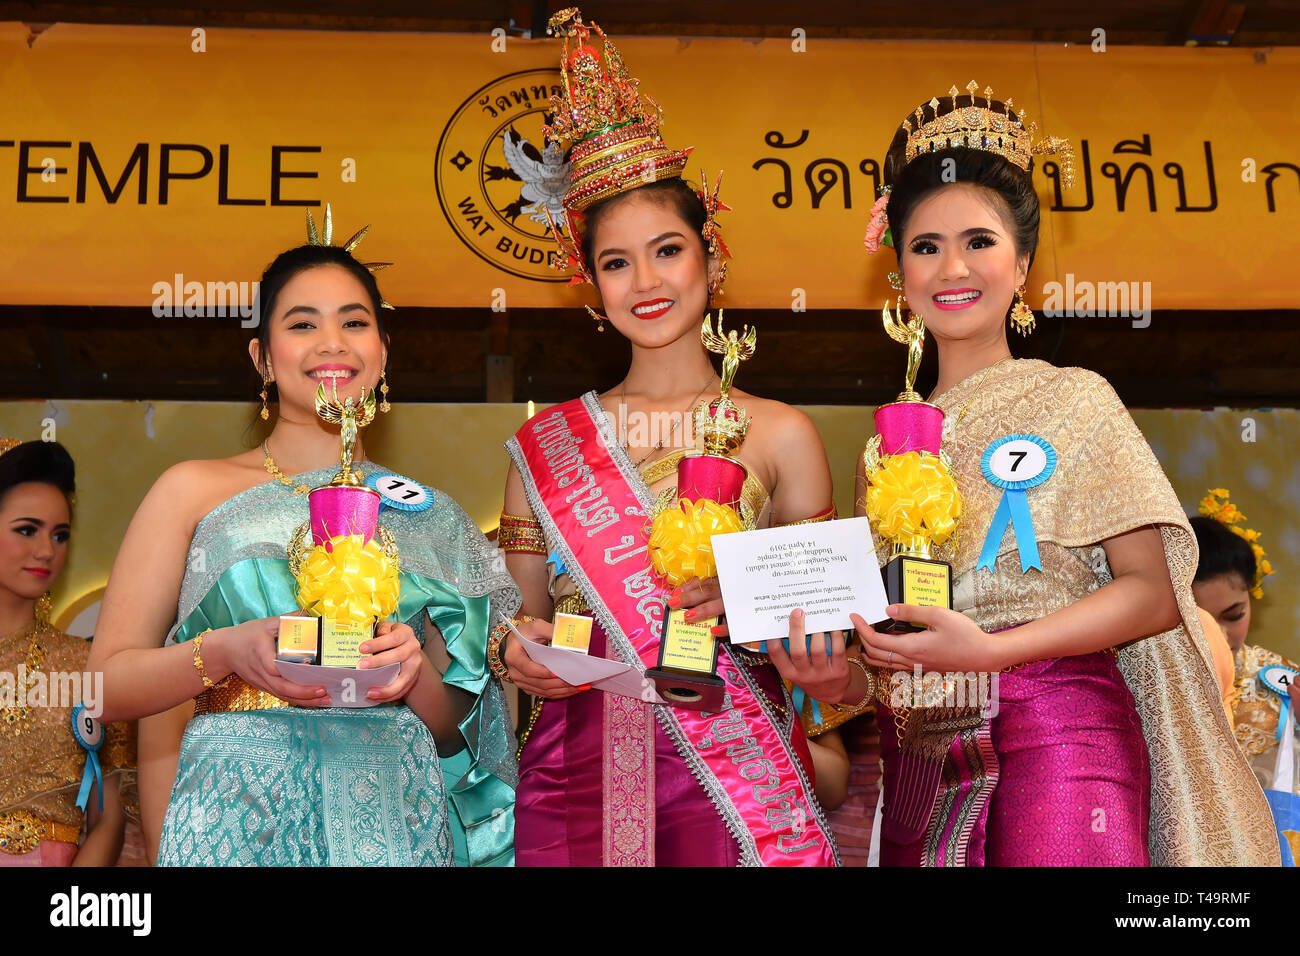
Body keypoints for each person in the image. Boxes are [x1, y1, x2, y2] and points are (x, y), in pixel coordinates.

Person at [772, 84, 1279, 866]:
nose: (952, 267)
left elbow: (1149, 594)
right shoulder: (888, 449)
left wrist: (994, 653)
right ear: (898, 269)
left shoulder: (1074, 398)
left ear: (1024, 262)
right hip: (921, 767)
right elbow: (899, 645)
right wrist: (842, 684)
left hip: (1060, 738)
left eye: (979, 240)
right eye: (926, 245)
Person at [495, 9, 839, 866]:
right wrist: (515, 652)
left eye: (668, 251)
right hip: (572, 779)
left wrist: (759, 620)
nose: (645, 283)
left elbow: (827, 642)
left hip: (734, 779)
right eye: (616, 262)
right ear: (591, 284)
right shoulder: (543, 444)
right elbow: (526, 626)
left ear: (710, 261)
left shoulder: (781, 434)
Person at [87, 213, 521, 866]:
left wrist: (414, 677)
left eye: (353, 321)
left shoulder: (435, 516)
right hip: (235, 818)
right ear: (262, 356)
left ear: (383, 349)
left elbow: (468, 734)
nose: (331, 344)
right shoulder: (191, 492)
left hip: (391, 820)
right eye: (301, 324)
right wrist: (225, 651)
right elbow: (104, 686)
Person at [0, 439, 133, 866]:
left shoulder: (88, 667)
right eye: (27, 529)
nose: (46, 551)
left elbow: (107, 819)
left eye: (60, 535)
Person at [1192, 491, 1297, 794]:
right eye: (1201, 623)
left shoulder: (1286, 682)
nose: (1220, 637)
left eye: (1234, 615)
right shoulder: (1140, 687)